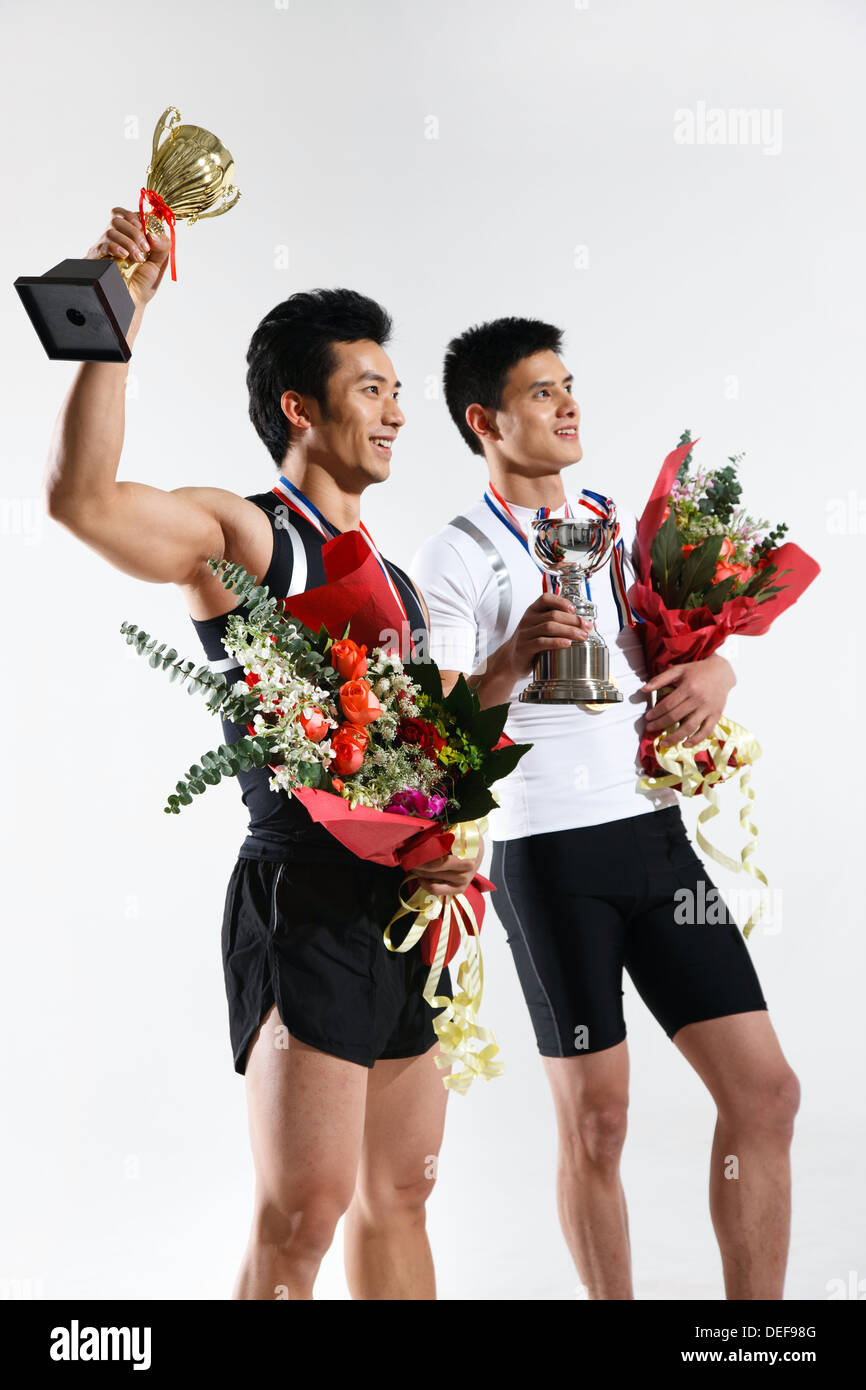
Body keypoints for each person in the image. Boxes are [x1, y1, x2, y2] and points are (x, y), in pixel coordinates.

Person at [43, 207, 483, 1301]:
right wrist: (112, 322)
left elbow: (425, 756)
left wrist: (450, 838)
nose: (394, 411)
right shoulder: (248, 535)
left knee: (400, 1195)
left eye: (395, 390)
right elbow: (82, 503)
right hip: (305, 895)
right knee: (303, 1214)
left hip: (404, 911)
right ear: (301, 406)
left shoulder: (392, 574)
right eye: (370, 387)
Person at [410, 315, 800, 1300]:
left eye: (567, 383)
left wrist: (717, 667)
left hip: (652, 837)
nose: (567, 402)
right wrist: (511, 658)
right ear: (483, 420)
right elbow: (438, 742)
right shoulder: (454, 555)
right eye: (540, 392)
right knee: (598, 1122)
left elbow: (699, 628)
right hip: (545, 855)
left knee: (764, 1093)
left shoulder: (618, 521)